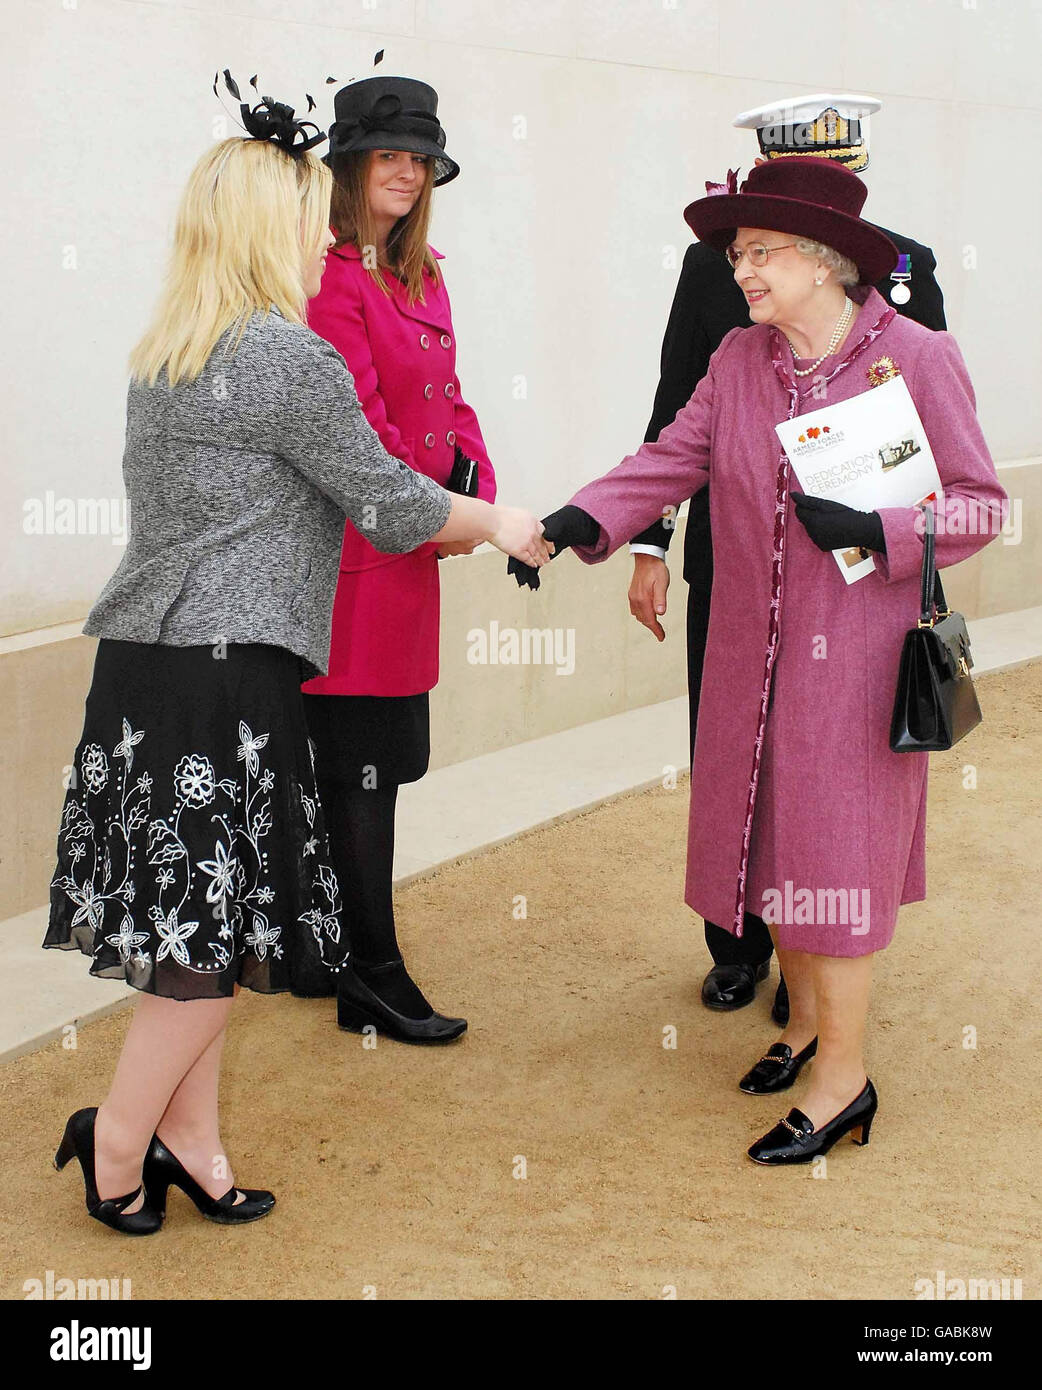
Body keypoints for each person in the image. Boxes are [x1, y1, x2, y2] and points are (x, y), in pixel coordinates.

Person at [45, 88, 550, 1234]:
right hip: (226, 677)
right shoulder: (285, 356)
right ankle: (114, 1141)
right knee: (204, 953)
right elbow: (388, 499)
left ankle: (193, 1141)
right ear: (270, 228)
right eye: (306, 215)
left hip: (144, 671)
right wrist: (505, 521)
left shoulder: (164, 353)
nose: (324, 234)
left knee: (203, 932)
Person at [513, 157, 1006, 1162]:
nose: (740, 271)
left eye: (758, 253)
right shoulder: (741, 358)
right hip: (749, 653)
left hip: (857, 664)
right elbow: (671, 457)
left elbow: (981, 505)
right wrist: (579, 521)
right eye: (736, 255)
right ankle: (804, 1024)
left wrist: (880, 528)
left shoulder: (915, 356)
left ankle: (844, 1080)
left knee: (838, 858)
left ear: (822, 260)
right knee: (774, 842)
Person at [627, 95, 947, 1026]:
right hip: (735, 564)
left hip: (851, 579)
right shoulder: (717, 275)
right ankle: (738, 947)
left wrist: (895, 540)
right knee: (734, 755)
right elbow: (677, 406)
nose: (748, 267)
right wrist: (647, 539)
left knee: (823, 780)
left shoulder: (905, 272)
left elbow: (934, 449)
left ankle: (811, 988)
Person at [292, 77, 492, 1043]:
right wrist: (451, 508)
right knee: (359, 766)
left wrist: (476, 490)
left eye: (421, 158)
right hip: (354, 564)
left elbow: (452, 402)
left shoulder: (422, 272)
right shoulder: (330, 277)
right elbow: (358, 434)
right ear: (350, 167)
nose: (409, 172)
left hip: (409, 549)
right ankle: (370, 970)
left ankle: (324, 950)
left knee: (377, 762)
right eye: (390, 156)